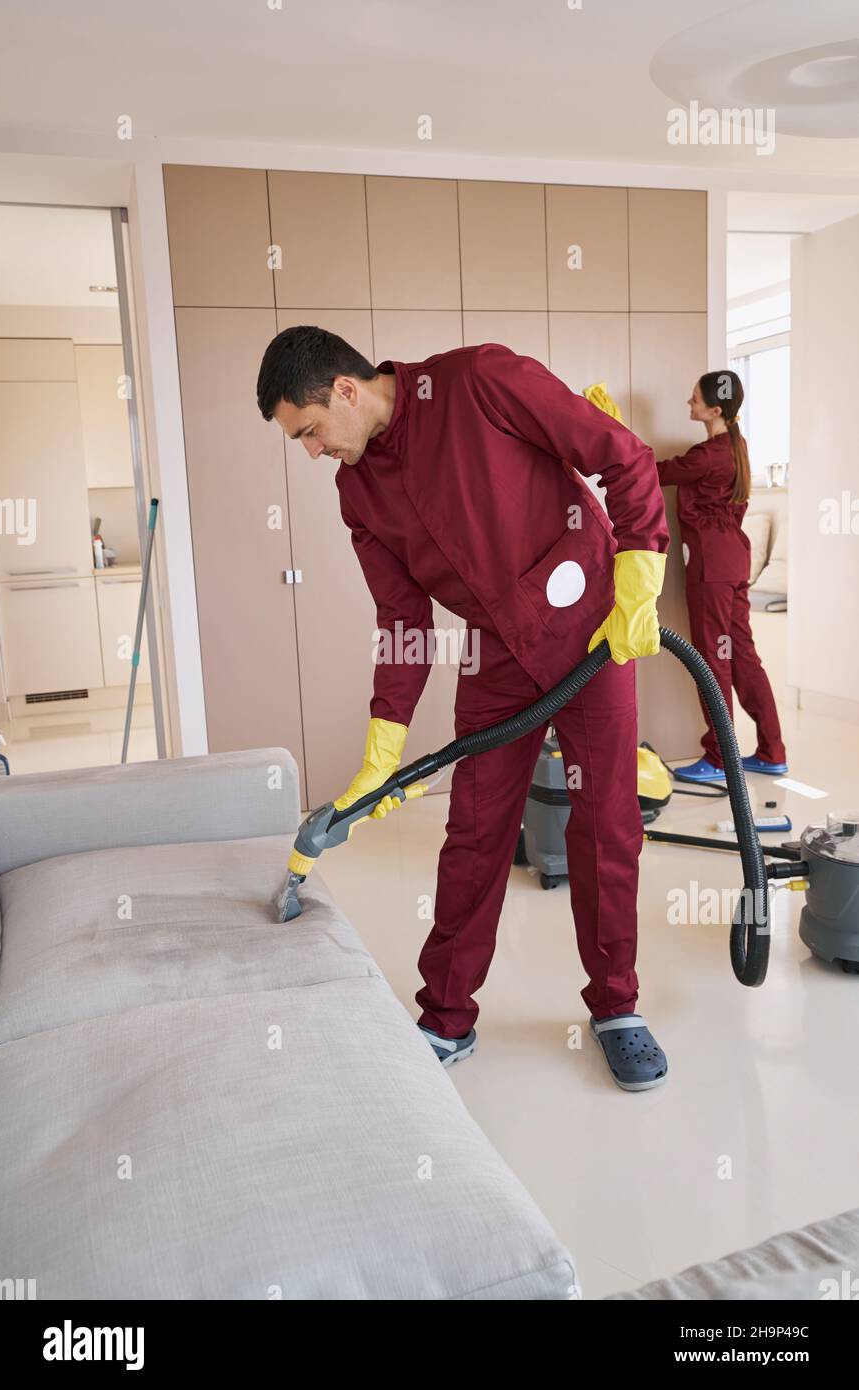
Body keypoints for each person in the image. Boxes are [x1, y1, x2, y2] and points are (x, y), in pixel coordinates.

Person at [257, 327, 671, 1091]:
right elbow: (404, 620)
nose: (310, 452)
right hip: (495, 657)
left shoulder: (478, 381)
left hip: (594, 636)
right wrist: (385, 740)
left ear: (345, 390)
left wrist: (641, 561)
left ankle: (617, 1008)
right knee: (475, 832)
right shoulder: (358, 492)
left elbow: (623, 456)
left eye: (308, 431)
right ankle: (446, 1016)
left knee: (607, 823)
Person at [654, 372, 787, 783]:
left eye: (694, 400)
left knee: (714, 659)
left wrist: (613, 433)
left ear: (715, 410)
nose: (688, 404)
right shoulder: (738, 447)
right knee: (742, 655)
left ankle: (717, 758)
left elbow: (656, 471)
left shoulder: (708, 455)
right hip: (733, 562)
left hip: (711, 568)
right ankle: (771, 751)